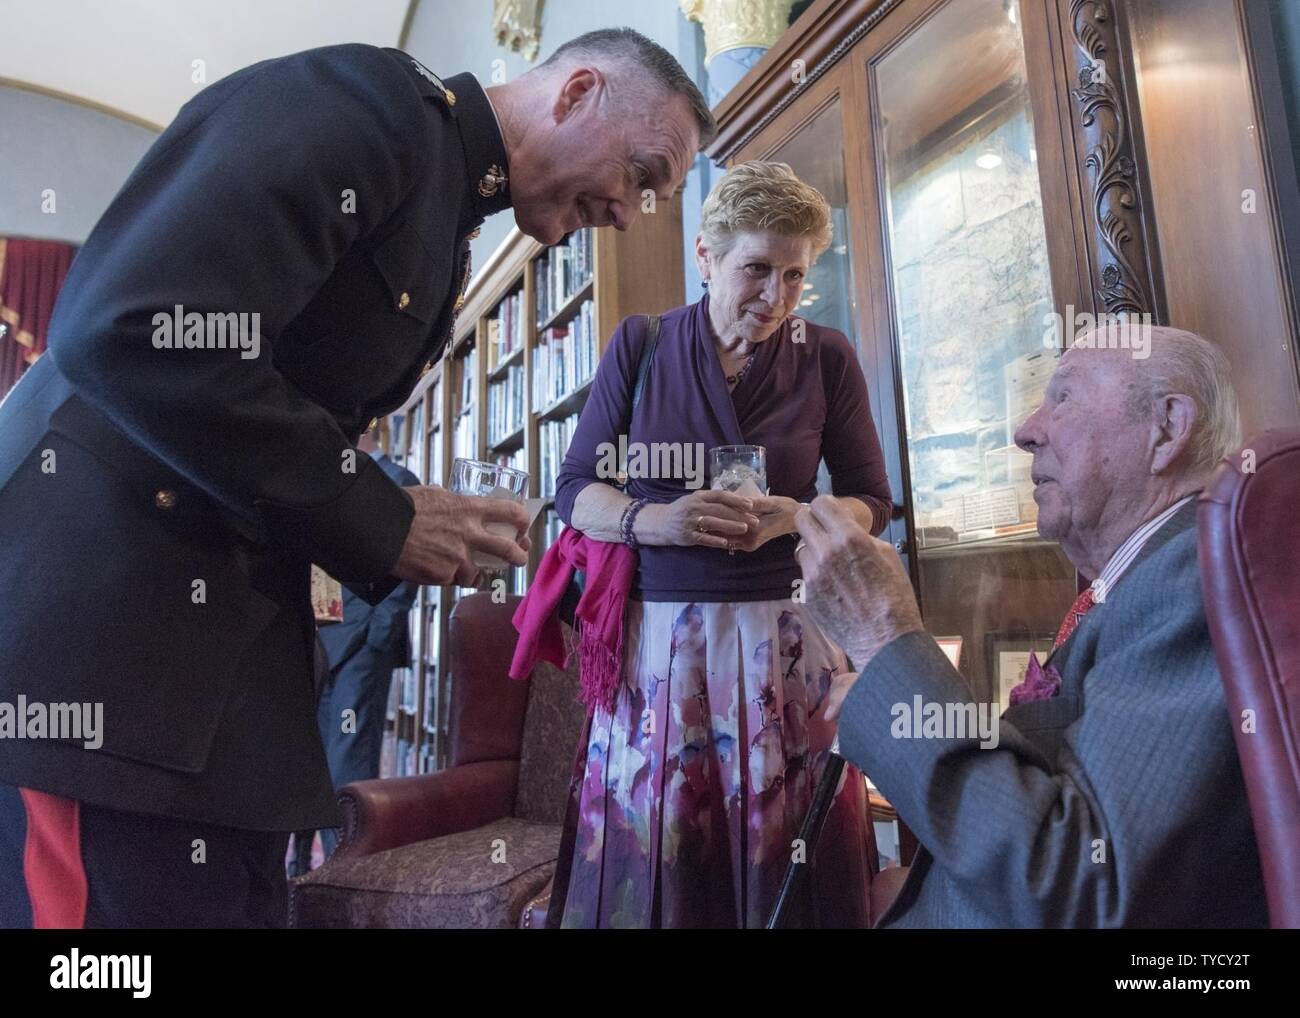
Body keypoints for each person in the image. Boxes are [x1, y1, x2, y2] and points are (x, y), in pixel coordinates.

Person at [0, 29, 713, 928]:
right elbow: (138, 325)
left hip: (218, 704)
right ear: (576, 93)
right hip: (103, 677)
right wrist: (382, 515)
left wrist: (392, 516)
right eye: (644, 174)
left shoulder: (444, 204)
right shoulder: (367, 106)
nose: (632, 212)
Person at [796, 325, 1269, 927]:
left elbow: (1084, 887)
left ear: (1168, 426)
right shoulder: (1138, 581)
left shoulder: (1193, 578)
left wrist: (884, 637)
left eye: (1063, 397)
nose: (1025, 430)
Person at [547, 161, 893, 928]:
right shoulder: (640, 344)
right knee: (663, 840)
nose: (776, 297)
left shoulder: (825, 355)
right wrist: (652, 521)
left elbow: (873, 499)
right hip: (664, 650)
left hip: (785, 640)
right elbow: (575, 489)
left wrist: (798, 516)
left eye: (796, 276)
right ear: (705, 257)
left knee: (784, 842)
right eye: (757, 270)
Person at [292, 426, 420, 874]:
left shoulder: (399, 479)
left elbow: (407, 576)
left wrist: (376, 641)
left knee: (350, 767)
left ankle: (347, 874)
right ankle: (304, 870)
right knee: (314, 762)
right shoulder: (338, 480)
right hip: (322, 644)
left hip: (363, 652)